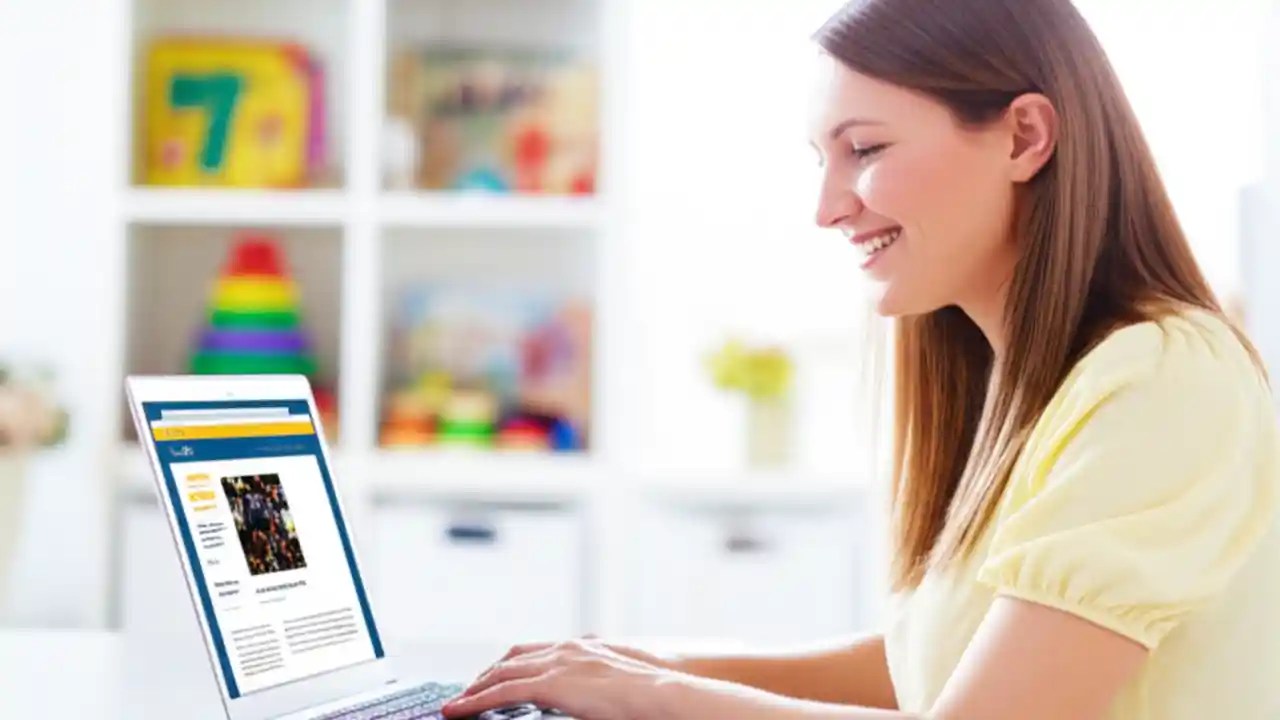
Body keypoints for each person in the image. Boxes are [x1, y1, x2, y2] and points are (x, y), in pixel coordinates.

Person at [441, 0, 1280, 718]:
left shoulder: (1165, 378)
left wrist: (656, 699)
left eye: (867, 150)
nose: (826, 207)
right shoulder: (1027, 384)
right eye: (821, 160)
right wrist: (643, 667)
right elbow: (927, 669)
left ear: (1025, 136)